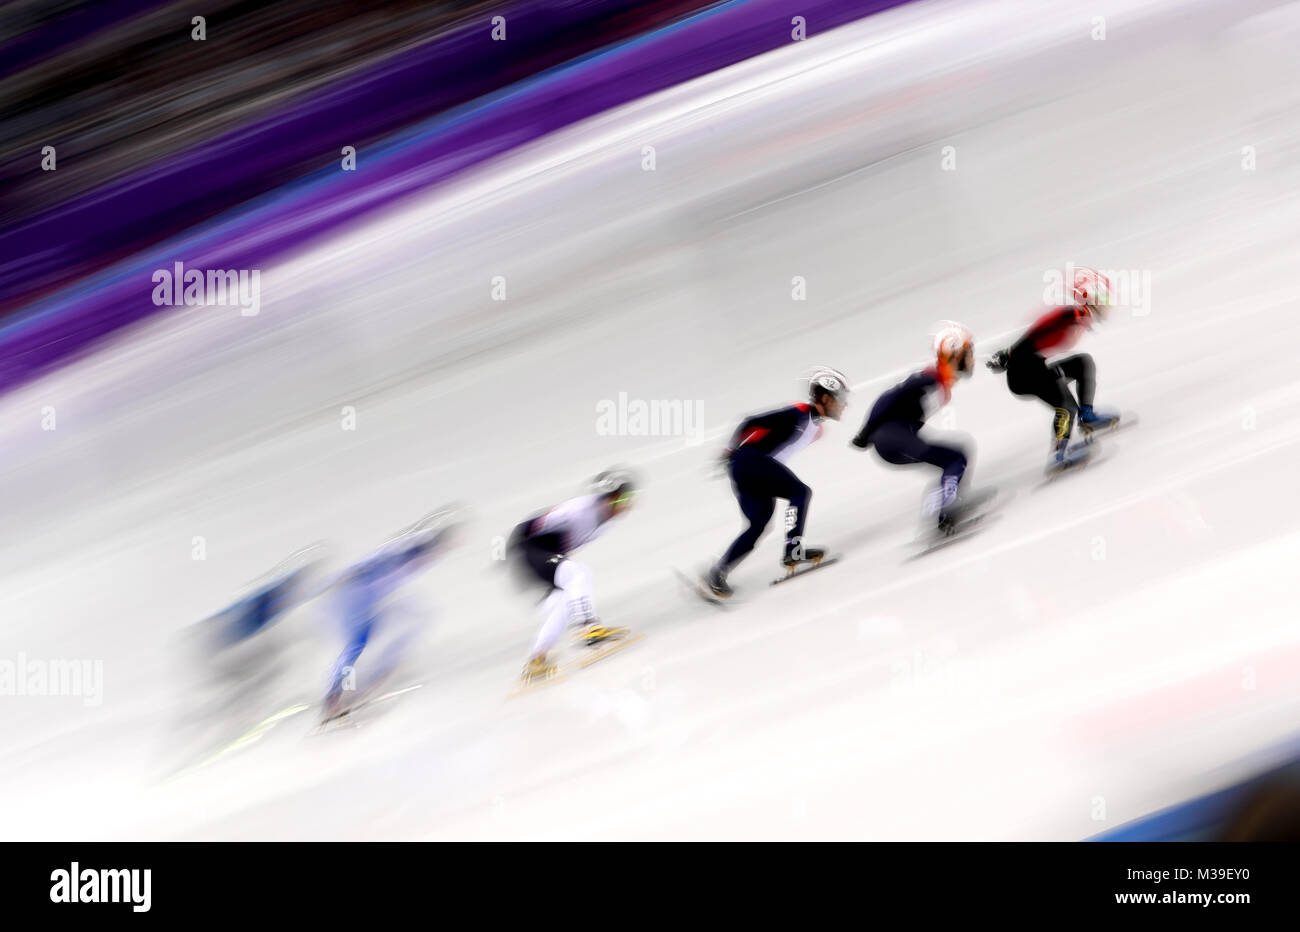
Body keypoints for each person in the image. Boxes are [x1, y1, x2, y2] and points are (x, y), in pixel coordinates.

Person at [704, 367, 848, 598]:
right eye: (839, 399)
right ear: (824, 397)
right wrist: (730, 450)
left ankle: (717, 573)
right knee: (800, 493)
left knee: (757, 525)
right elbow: (750, 421)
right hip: (749, 462)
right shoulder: (800, 412)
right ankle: (793, 550)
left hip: (747, 469)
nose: (843, 404)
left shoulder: (815, 428)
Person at [510, 470, 636, 682]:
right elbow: (527, 529)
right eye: (623, 498)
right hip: (532, 549)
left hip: (546, 554)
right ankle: (589, 628)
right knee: (580, 573)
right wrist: (531, 560)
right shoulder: (578, 510)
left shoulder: (605, 520)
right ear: (608, 498)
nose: (628, 504)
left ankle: (536, 661)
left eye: (630, 498)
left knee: (564, 604)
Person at [986, 267, 1120, 466]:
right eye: (1105, 300)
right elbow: (1036, 330)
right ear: (1090, 298)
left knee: (1082, 363)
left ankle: (1087, 416)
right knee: (1066, 406)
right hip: (1024, 373)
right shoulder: (1070, 314)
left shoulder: (1080, 317)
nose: (1108, 305)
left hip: (1035, 366)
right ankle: (1058, 455)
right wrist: (1008, 354)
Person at [852, 323, 977, 534]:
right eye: (969, 352)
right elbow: (887, 398)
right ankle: (942, 508)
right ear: (954, 355)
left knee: (955, 457)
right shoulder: (930, 378)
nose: (973, 359)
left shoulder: (939, 380)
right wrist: (865, 432)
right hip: (891, 437)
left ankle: (947, 506)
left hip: (894, 440)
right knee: (956, 457)